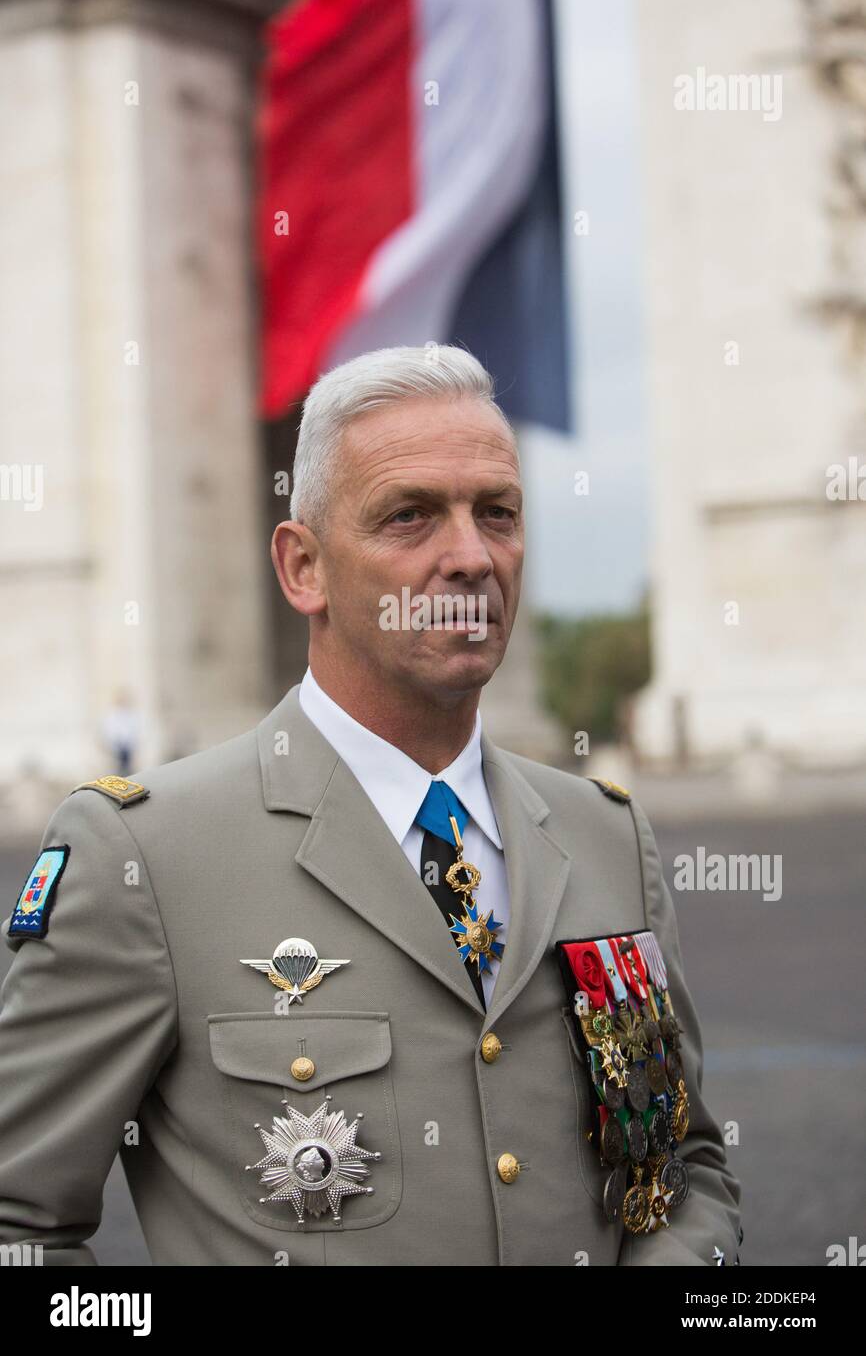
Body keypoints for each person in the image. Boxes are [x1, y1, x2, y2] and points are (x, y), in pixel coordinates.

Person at [0, 345, 742, 1266]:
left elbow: (682, 1167)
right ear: (303, 567)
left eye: (498, 513)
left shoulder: (607, 836)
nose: (470, 557)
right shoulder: (144, 857)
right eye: (409, 516)